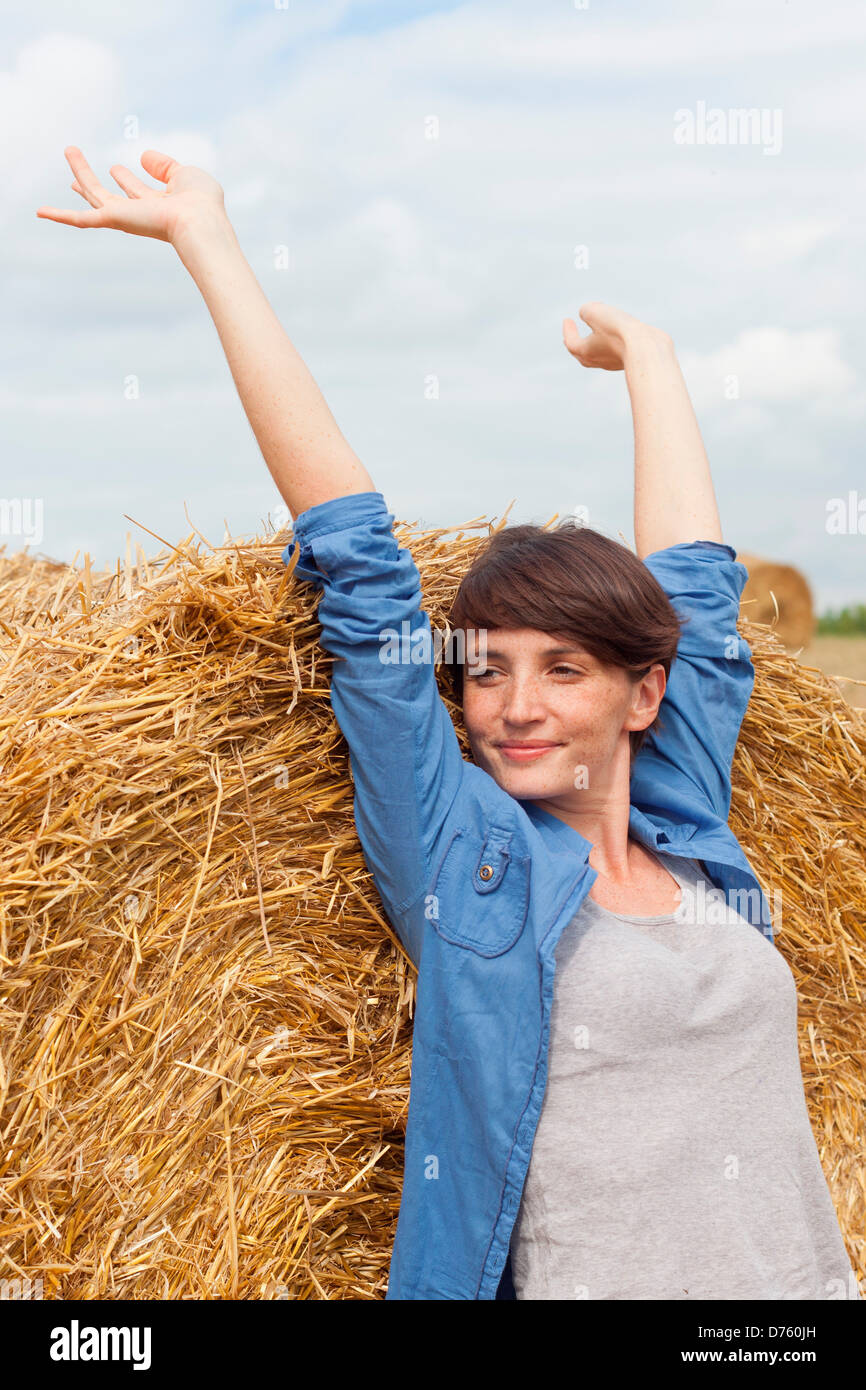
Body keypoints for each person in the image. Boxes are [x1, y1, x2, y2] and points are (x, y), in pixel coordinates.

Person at [36, 148, 861, 1302]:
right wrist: (205, 238)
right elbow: (358, 565)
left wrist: (650, 362)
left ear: (641, 699)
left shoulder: (685, 823)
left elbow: (697, 602)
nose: (514, 705)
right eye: (481, 674)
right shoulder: (465, 863)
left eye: (563, 670)